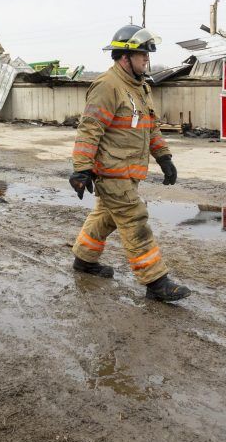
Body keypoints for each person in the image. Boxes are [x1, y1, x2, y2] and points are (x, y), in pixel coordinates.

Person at [69, 25, 190, 302]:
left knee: (105, 217)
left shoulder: (140, 87)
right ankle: (156, 281)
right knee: (135, 220)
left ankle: (84, 260)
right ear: (126, 57)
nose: (147, 61)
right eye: (143, 56)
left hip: (129, 172)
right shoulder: (107, 86)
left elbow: (151, 127)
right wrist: (82, 168)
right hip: (112, 172)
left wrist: (164, 157)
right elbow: (90, 129)